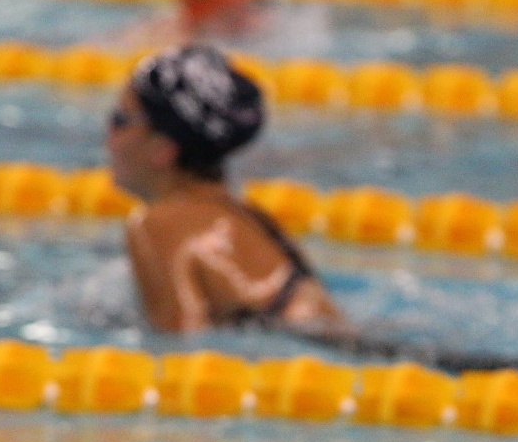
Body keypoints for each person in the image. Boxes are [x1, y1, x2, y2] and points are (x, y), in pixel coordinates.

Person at [106, 46, 345, 335]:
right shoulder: (249, 217)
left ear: (163, 148)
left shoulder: (157, 223)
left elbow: (182, 347)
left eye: (119, 119)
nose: (109, 133)